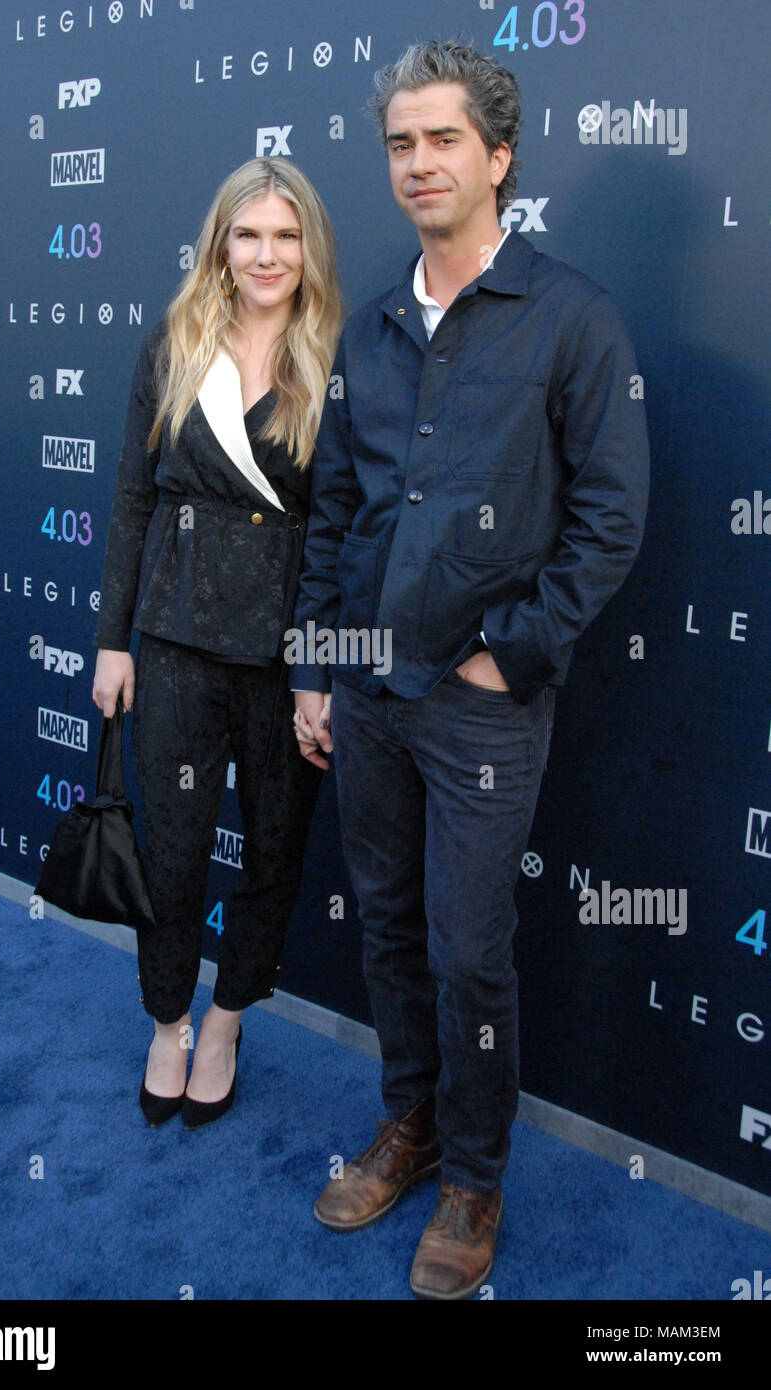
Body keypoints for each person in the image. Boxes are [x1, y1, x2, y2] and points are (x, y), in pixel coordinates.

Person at [291, 40, 649, 1298]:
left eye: (443, 139)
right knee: (387, 930)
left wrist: (514, 655)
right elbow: (337, 512)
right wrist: (315, 670)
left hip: (485, 710)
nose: (419, 163)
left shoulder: (572, 316)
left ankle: (476, 1176)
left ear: (499, 156)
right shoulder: (375, 326)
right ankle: (413, 1124)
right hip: (369, 694)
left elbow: (612, 515)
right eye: (401, 142)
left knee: (467, 950)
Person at [92, 158, 341, 1130]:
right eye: (249, 235)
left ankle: (229, 1017)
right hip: (176, 640)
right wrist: (112, 639)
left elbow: (345, 528)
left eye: (286, 236)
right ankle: (168, 1019)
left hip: (285, 654)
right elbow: (131, 495)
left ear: (307, 246)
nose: (267, 255)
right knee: (176, 850)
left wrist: (323, 666)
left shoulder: (337, 359)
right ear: (221, 245)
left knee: (275, 851)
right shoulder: (176, 340)